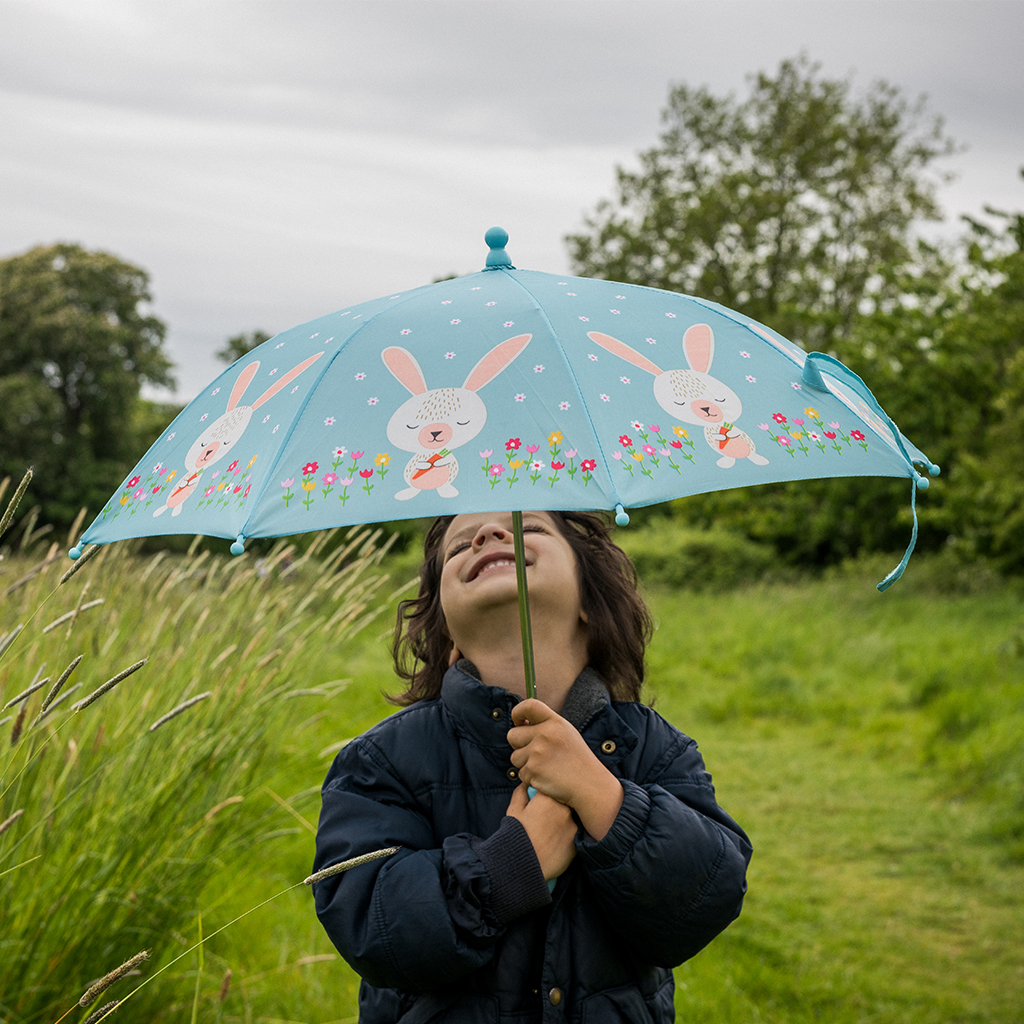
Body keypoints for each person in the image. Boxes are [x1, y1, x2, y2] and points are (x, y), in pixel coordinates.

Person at [313, 510, 752, 1023]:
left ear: (589, 602)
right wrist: (510, 866)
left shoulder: (655, 748)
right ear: (448, 632)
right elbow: (369, 924)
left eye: (529, 529)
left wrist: (603, 797)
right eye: (459, 547)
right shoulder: (384, 759)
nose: (489, 535)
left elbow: (705, 900)